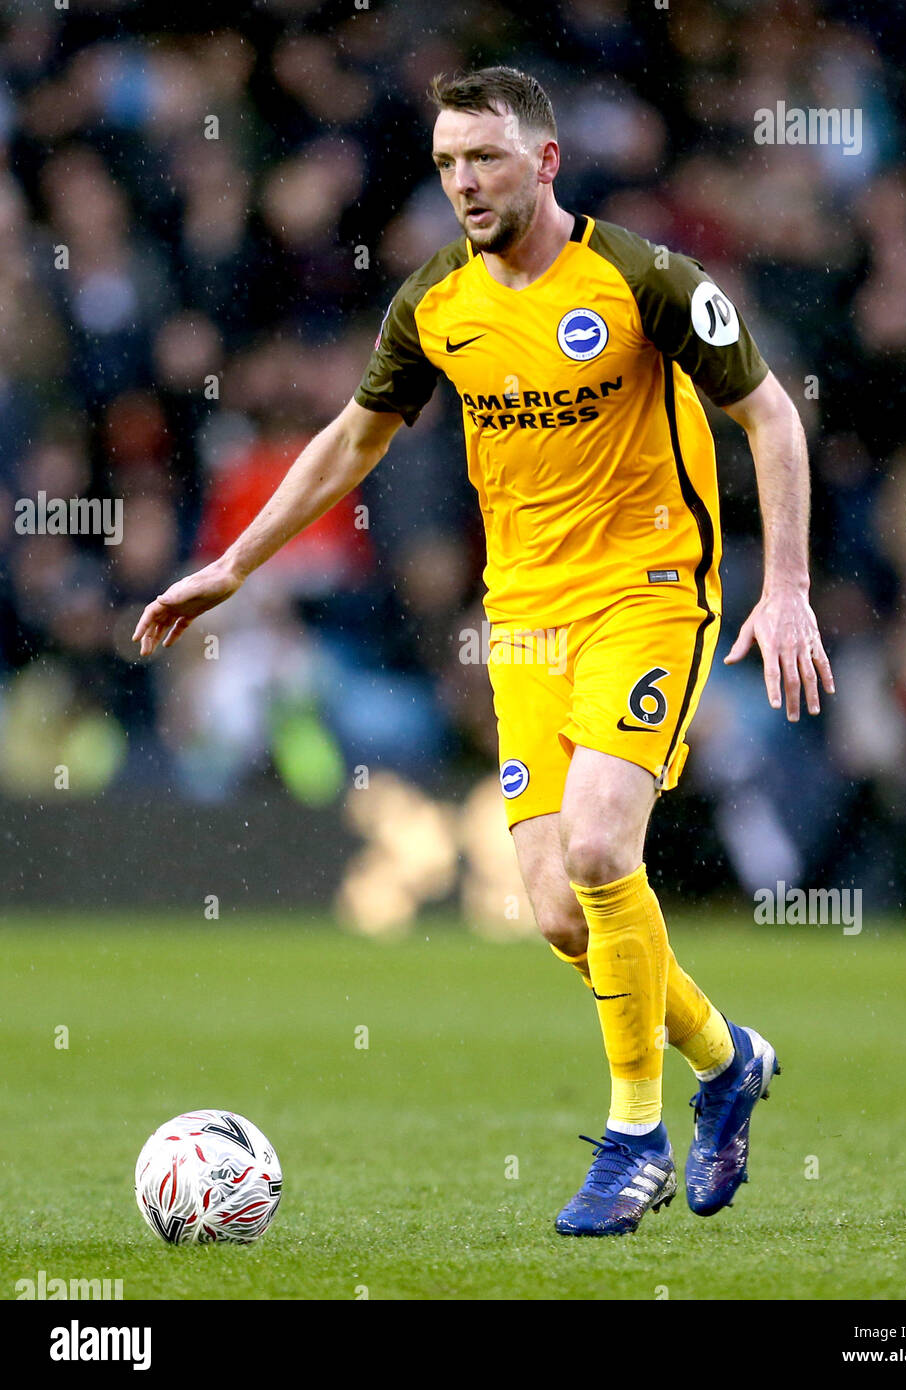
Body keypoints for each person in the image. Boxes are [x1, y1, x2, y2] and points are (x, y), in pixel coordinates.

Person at [134, 66, 834, 1236]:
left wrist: (793, 585)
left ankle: (632, 1139)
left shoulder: (643, 278)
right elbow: (347, 443)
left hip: (650, 593)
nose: (462, 181)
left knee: (606, 846)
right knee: (561, 914)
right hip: (525, 623)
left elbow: (767, 412)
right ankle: (728, 1061)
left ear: (545, 161)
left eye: (486, 159)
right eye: (448, 162)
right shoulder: (433, 307)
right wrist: (235, 563)